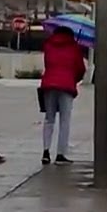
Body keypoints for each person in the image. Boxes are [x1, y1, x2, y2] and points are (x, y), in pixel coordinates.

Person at [40, 27, 87, 164]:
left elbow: (47, 63)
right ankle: (60, 154)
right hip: (66, 85)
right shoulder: (74, 47)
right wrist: (74, 79)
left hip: (49, 84)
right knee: (64, 121)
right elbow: (80, 69)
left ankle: (46, 151)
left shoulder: (48, 45)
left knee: (49, 118)